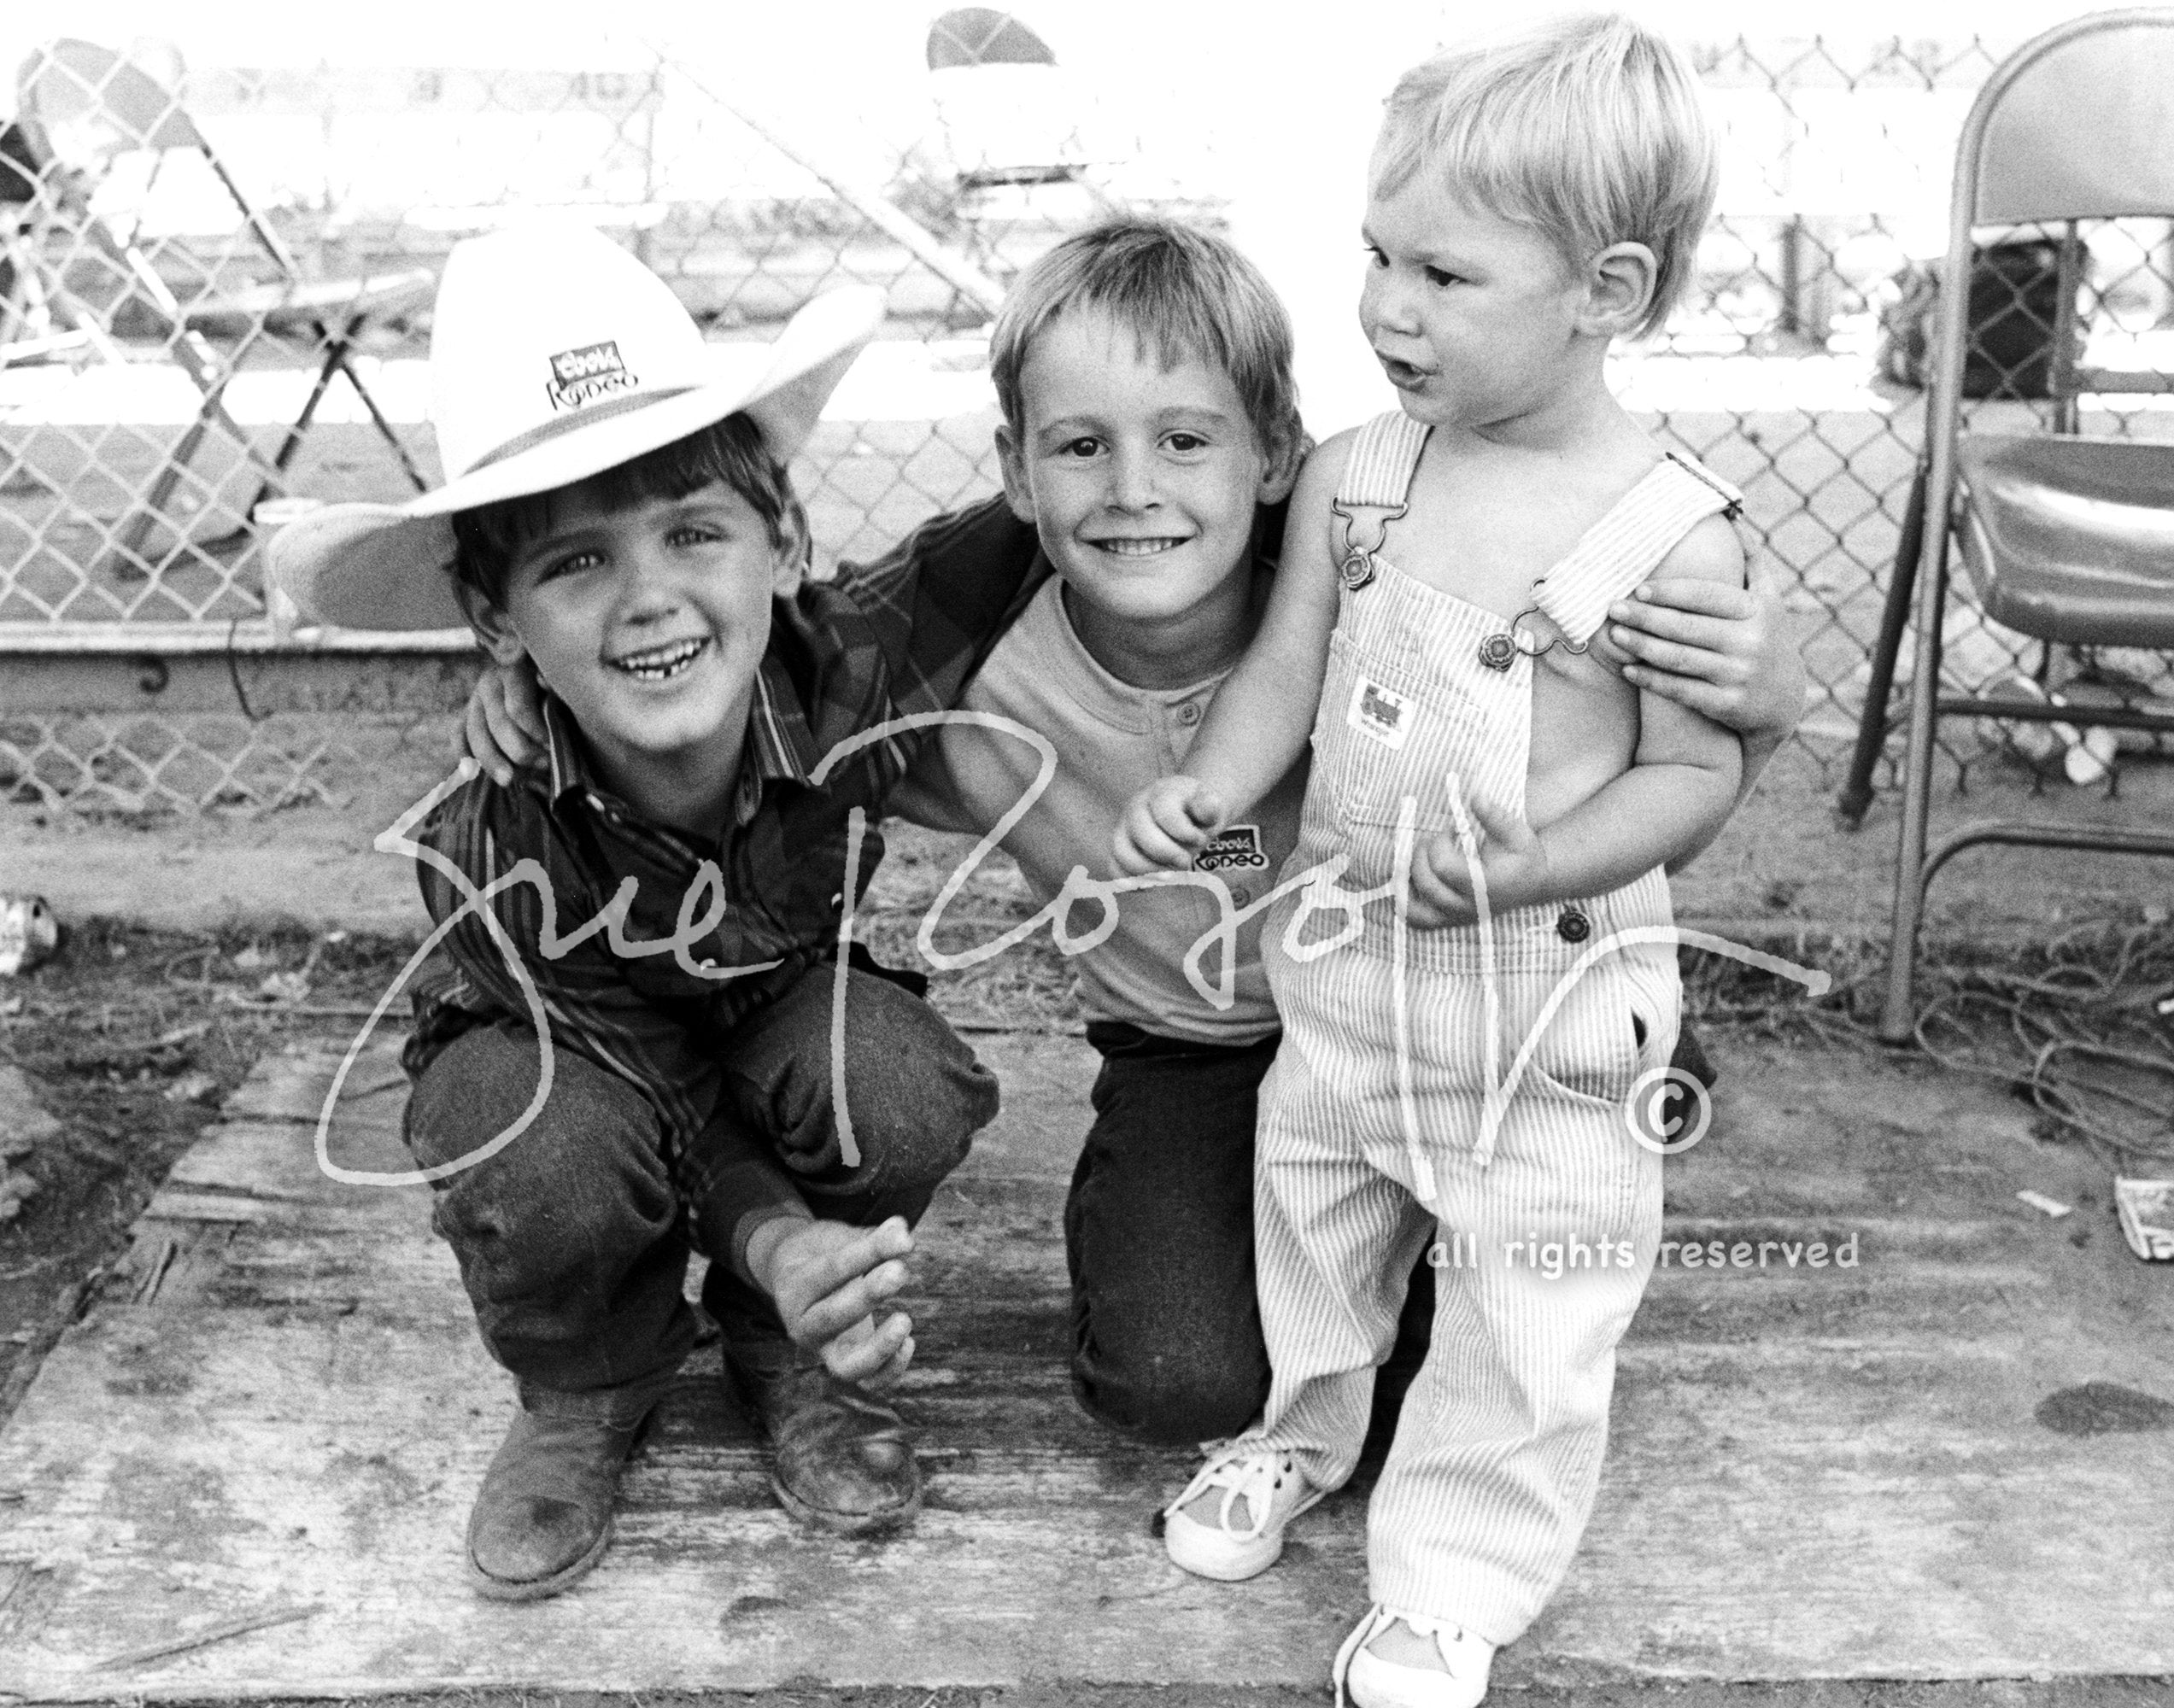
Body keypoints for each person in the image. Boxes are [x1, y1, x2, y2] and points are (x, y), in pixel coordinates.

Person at [466, 215, 1805, 1466]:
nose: (1132, 492)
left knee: (1493, 1328)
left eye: (1184, 441)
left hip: (1442, 1008)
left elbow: (1612, 725)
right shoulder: (946, 677)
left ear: (1273, 452)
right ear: (1014, 469)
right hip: (1201, 1046)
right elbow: (731, 682)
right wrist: (554, 689)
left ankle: (1516, 1213)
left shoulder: (1382, 583)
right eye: (1079, 447)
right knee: (1169, 1385)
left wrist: (1759, 699)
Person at [1113, 20, 1759, 1707]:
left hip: (1552, 1000)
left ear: (1604, 292)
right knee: (1313, 1211)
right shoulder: (1361, 479)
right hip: (1347, 959)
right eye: (1376, 259)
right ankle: (1299, 1431)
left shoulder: (1665, 534)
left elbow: (1696, 774)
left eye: (1445, 274)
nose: (1388, 308)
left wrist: (1537, 853)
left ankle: (1452, 1574)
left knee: (1531, 1293)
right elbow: (1284, 669)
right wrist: (1217, 783)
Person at [268, 220, 1054, 1601]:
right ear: (496, 619)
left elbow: (1071, 499)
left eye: (695, 531)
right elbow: (663, 1094)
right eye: (573, 564)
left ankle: (774, 1337)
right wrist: (768, 1221)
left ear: (787, 538)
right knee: (536, 1146)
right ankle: (587, 1380)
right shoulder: (492, 835)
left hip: (771, 1009)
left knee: (897, 1079)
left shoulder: (853, 653)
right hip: (575, 1062)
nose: (650, 600)